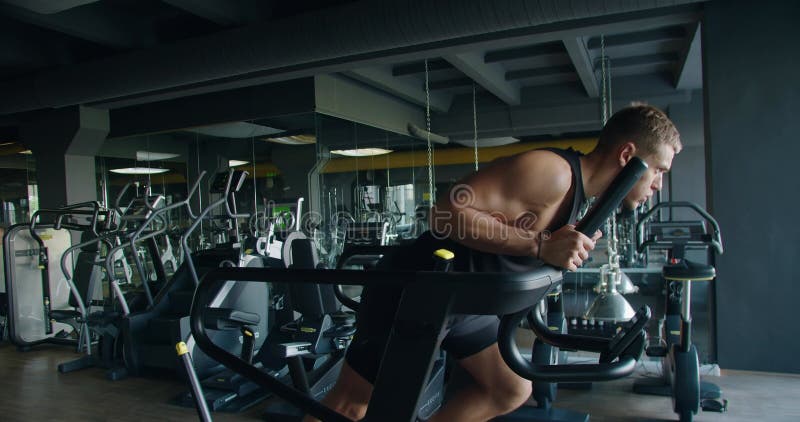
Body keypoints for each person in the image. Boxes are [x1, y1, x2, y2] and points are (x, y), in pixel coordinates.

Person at [308, 104, 682, 422]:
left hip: (464, 302)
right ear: (626, 155)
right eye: (659, 170)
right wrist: (541, 245)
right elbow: (443, 213)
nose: (659, 185)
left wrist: (554, 247)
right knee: (352, 405)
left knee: (509, 389)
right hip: (416, 290)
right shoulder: (553, 173)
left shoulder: (583, 203)